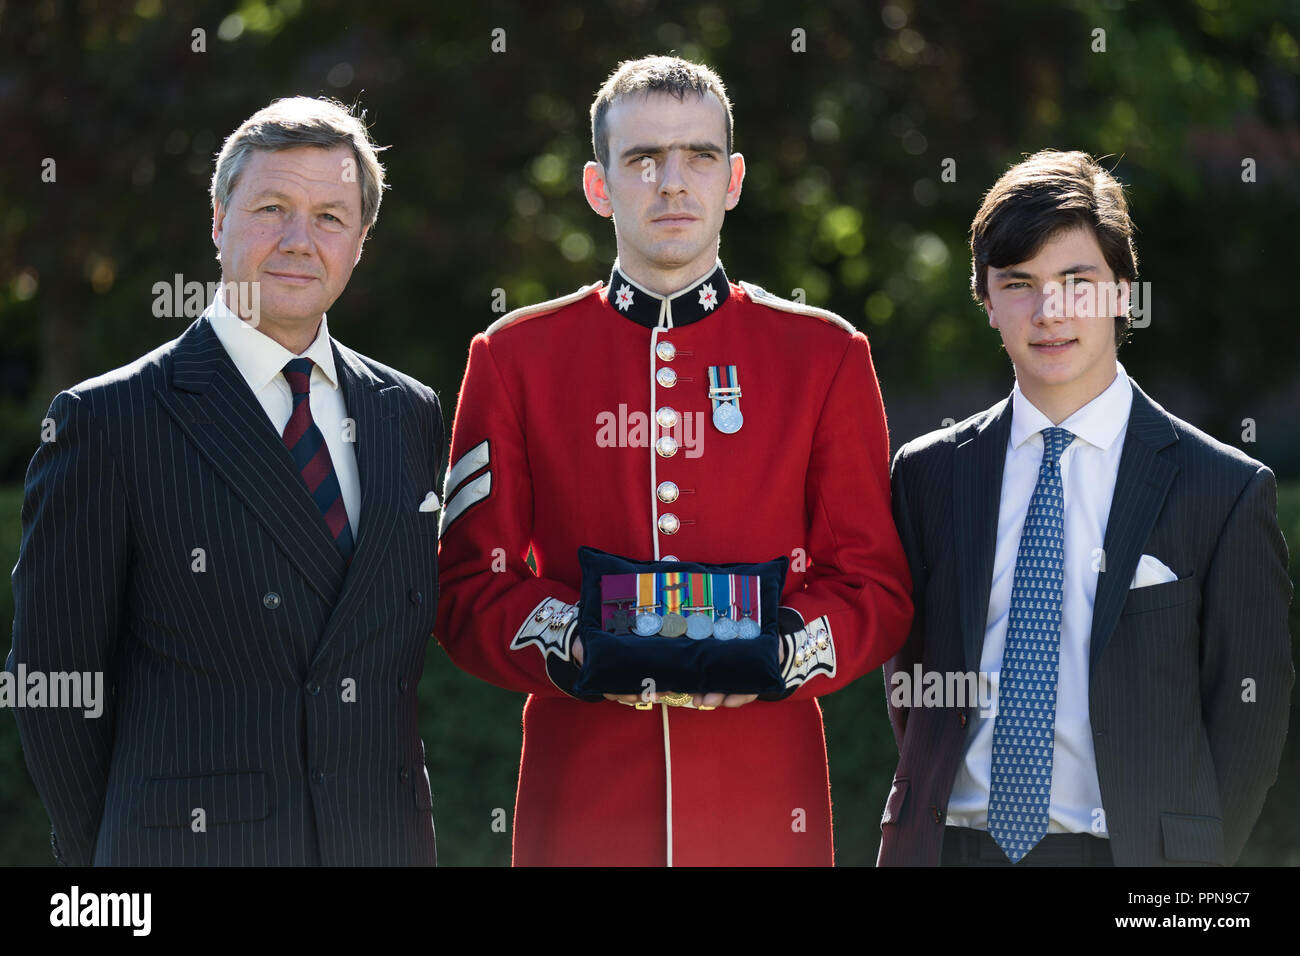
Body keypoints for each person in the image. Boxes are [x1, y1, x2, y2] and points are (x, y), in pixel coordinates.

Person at [436, 55, 912, 866]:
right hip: (582, 810)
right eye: (643, 159)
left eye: (697, 156)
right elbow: (470, 589)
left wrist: (781, 651)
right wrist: (579, 640)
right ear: (598, 186)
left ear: (732, 180)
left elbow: (873, 585)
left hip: (766, 814)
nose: (671, 182)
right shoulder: (514, 357)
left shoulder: (823, 354)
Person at [6, 97, 443, 865]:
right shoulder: (109, 422)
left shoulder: (408, 413)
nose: (299, 241)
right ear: (218, 219)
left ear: (361, 241)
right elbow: (54, 684)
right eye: (272, 207)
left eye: (331, 217)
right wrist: (114, 857)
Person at [877, 149, 1293, 867]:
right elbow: (911, 685)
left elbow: (1248, 719)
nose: (1050, 312)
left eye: (1077, 280)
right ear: (986, 301)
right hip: (948, 851)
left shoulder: (1221, 491)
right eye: (1019, 284)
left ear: (1124, 292)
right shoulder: (927, 476)